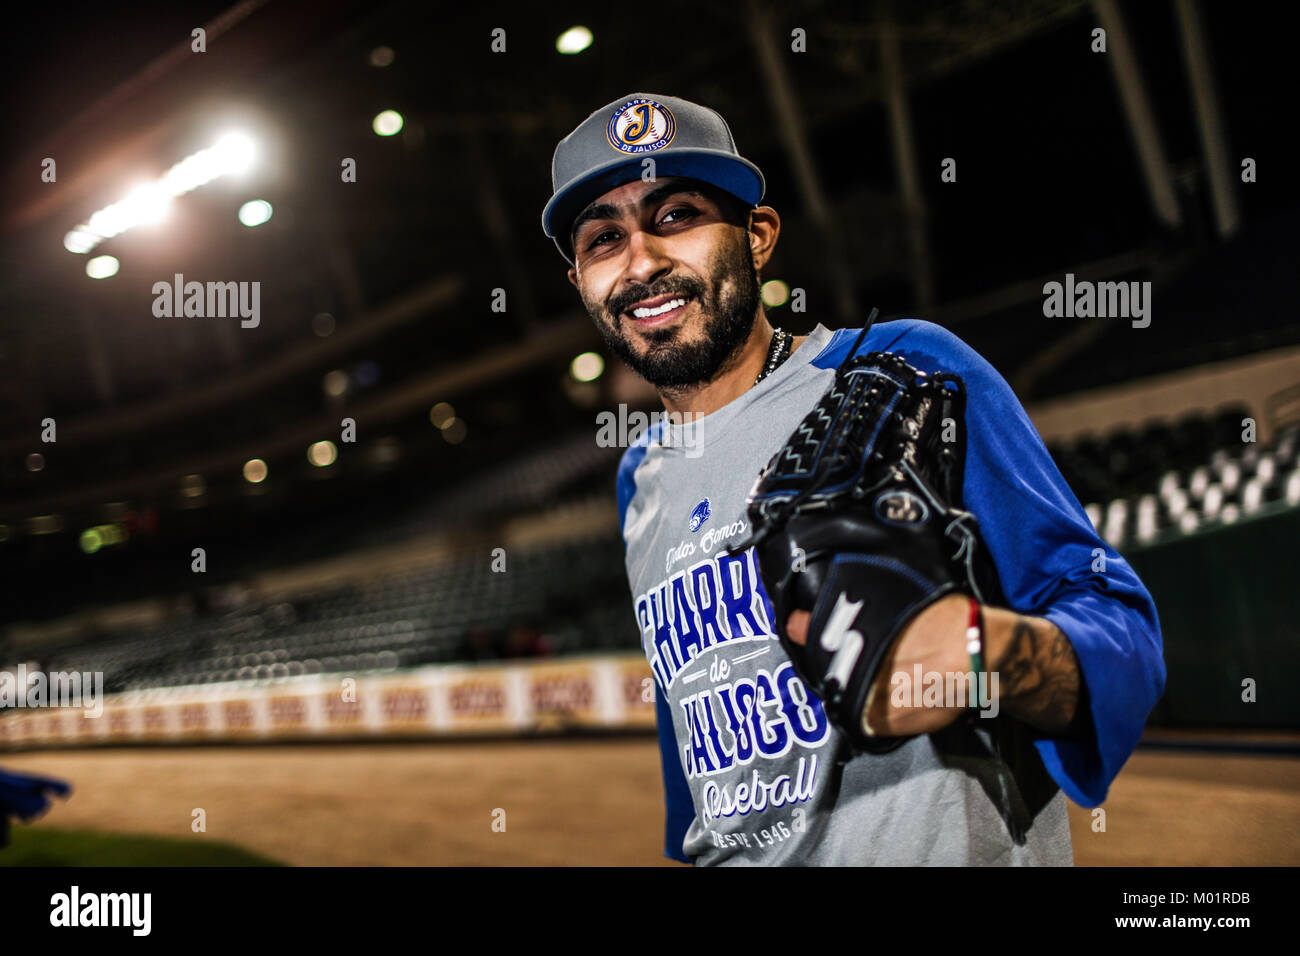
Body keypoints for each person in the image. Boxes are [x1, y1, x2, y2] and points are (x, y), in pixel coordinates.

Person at [540, 93, 1165, 865]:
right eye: (605, 238)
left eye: (676, 215)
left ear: (758, 237)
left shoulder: (907, 371)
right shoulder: (638, 478)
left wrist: (984, 655)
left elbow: (1122, 628)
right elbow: (694, 779)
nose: (641, 262)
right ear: (580, 281)